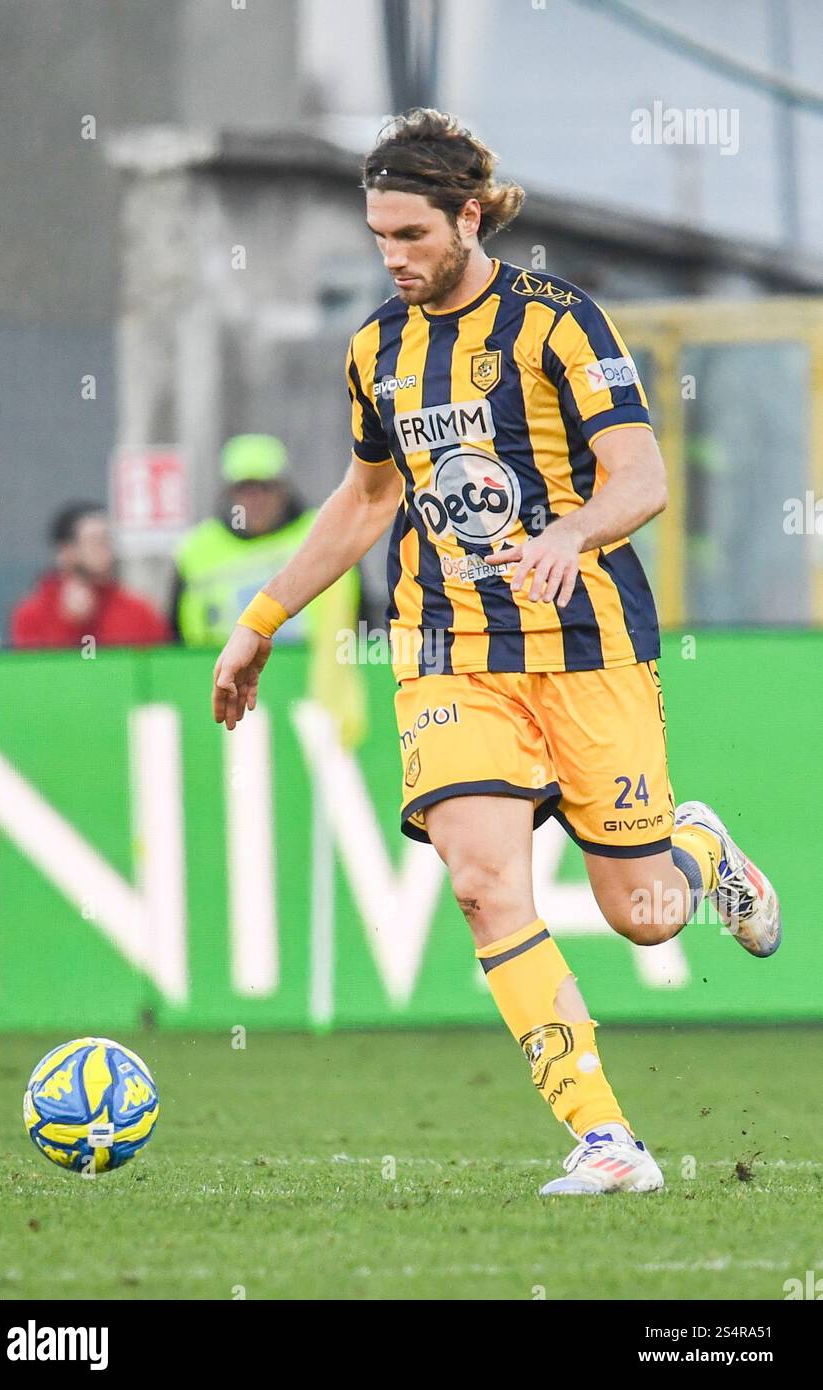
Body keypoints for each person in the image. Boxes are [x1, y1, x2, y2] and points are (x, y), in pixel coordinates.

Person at [211, 109, 781, 1196]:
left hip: (585, 647)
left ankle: (697, 851)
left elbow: (641, 479)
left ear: (468, 217)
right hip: (447, 652)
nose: (393, 257)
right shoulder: (375, 347)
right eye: (379, 236)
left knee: (643, 914)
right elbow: (366, 500)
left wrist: (570, 532)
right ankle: (606, 1139)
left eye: (411, 236)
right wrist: (259, 620)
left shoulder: (562, 324)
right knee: (480, 885)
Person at [175, 433, 365, 747]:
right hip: (230, 692)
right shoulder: (197, 549)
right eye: (244, 490)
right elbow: (176, 633)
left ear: (283, 490)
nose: (255, 499)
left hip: (314, 688)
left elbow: (359, 614)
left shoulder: (319, 533)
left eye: (265, 488)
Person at [12, 502, 170, 648]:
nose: (105, 550)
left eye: (107, 539)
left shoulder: (138, 612)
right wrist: (71, 625)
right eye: (94, 541)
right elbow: (36, 672)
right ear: (66, 551)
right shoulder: (33, 615)